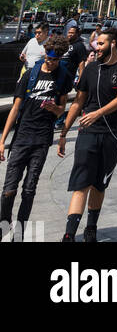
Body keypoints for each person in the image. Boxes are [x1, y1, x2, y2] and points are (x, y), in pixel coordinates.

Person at [57, 27, 117, 243]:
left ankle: (91, 228)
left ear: (112, 44)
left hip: (111, 133)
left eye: (101, 43)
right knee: (81, 182)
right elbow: (79, 101)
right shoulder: (91, 69)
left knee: (99, 184)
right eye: (96, 43)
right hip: (88, 132)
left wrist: (98, 113)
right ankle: (69, 234)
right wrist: (64, 130)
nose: (96, 47)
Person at [1, 33, 72, 240]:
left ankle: (19, 235)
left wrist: (54, 109)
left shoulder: (63, 76)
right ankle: (4, 229)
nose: (51, 63)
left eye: (55, 60)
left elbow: (62, 110)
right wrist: (2, 140)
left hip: (42, 139)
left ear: (60, 58)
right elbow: (15, 109)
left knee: (29, 190)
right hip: (22, 137)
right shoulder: (30, 74)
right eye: (49, 59)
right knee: (8, 191)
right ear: (44, 54)